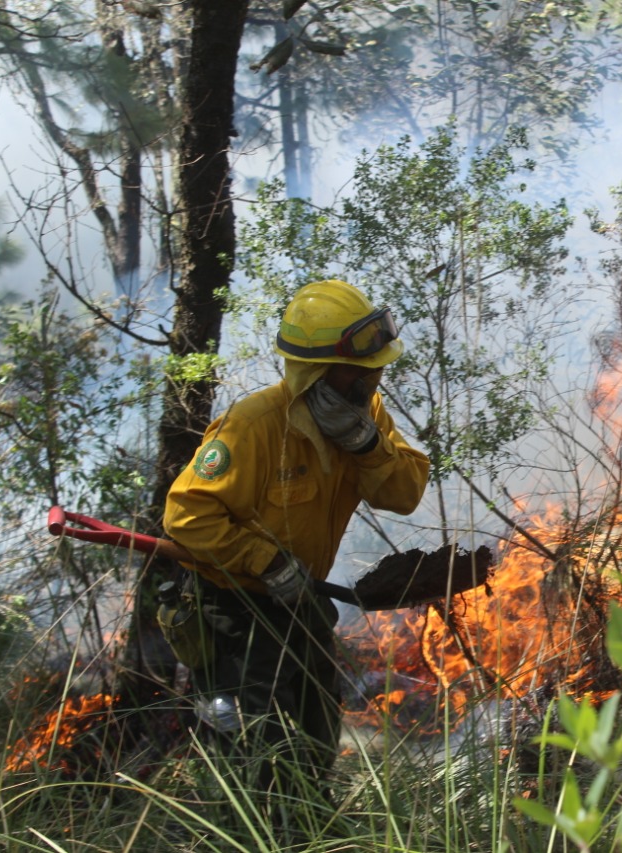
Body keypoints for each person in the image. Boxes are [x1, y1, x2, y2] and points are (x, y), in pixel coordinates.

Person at [162, 279, 430, 806]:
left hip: (301, 605)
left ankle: (307, 827)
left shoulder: (365, 416)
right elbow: (185, 516)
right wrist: (263, 560)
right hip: (234, 613)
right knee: (257, 755)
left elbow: (404, 495)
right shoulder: (254, 425)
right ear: (318, 370)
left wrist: (366, 445)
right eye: (363, 368)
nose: (376, 375)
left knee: (315, 742)